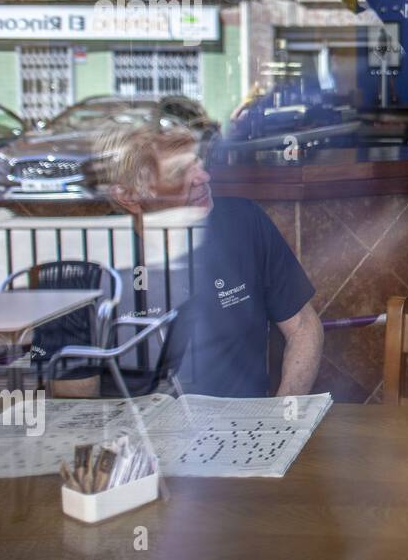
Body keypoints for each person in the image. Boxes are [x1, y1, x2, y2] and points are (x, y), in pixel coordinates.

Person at [104, 126, 323, 398]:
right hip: (137, 435)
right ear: (128, 197)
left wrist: (283, 418)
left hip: (240, 429)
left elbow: (303, 327)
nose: (203, 177)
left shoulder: (245, 222)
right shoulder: (97, 261)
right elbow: (75, 393)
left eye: (196, 162)